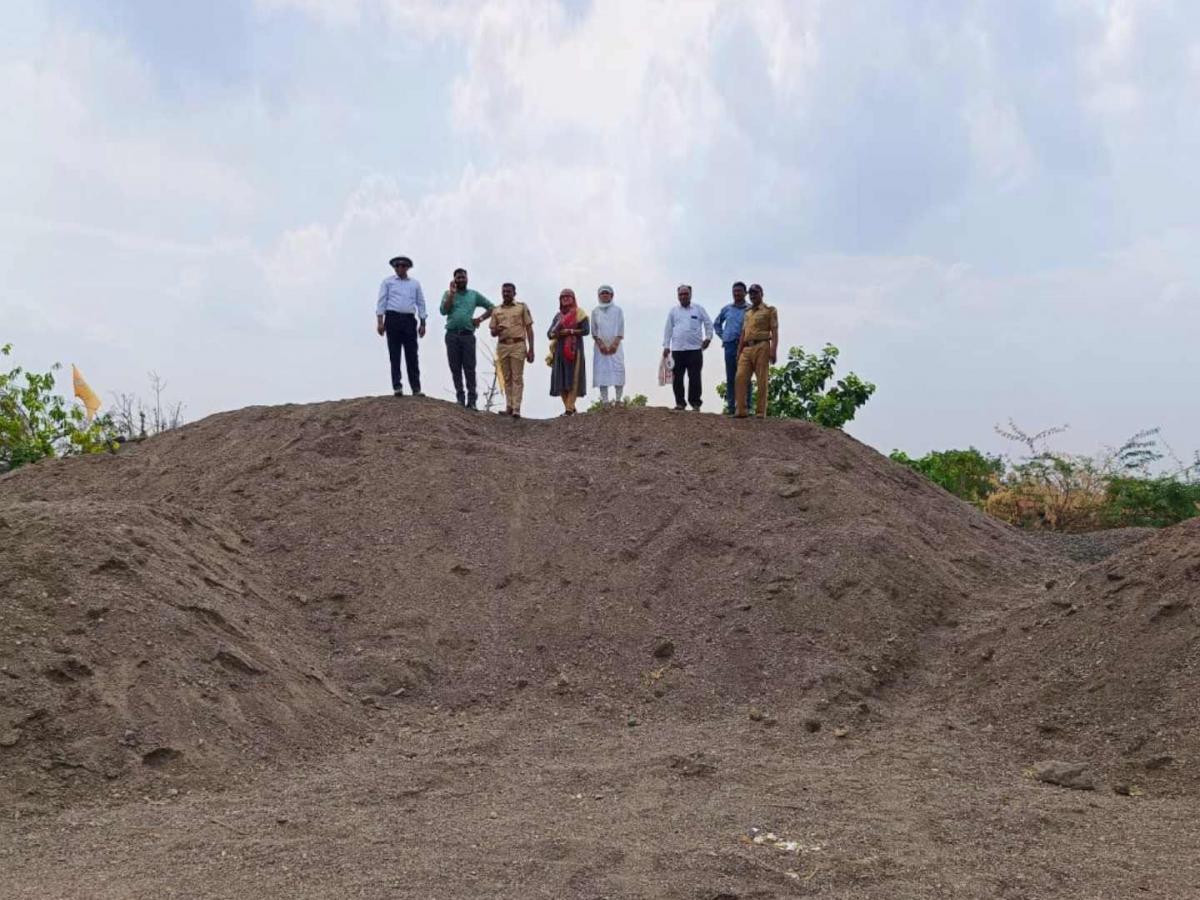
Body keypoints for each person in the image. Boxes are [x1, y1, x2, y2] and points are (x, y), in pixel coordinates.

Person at [439, 268, 494, 409]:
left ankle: (472, 400)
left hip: (467, 335)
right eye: (458, 277)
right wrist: (451, 294)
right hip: (451, 335)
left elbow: (492, 307)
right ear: (454, 279)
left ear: (467, 278)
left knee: (469, 368)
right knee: (455, 367)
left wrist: (480, 319)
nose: (461, 279)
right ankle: (460, 397)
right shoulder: (448, 293)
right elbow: (443, 311)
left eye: (463, 277)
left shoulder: (473, 295)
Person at [375, 255, 427, 396]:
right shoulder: (388, 282)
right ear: (394, 267)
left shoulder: (414, 284)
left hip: (409, 320)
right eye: (397, 266)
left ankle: (416, 388)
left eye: (403, 266)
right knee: (395, 354)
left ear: (408, 268)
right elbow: (381, 302)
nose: (400, 268)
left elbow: (421, 303)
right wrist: (380, 321)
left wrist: (423, 323)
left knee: (412, 355)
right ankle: (397, 386)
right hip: (392, 319)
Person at [662, 284, 713, 411]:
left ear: (690, 294)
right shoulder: (673, 311)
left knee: (695, 377)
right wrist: (666, 346)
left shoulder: (698, 309)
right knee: (677, 377)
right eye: (681, 294)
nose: (683, 296)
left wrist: (708, 338)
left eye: (686, 294)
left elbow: (708, 323)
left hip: (695, 349)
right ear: (678, 296)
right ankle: (680, 403)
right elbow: (668, 329)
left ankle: (695, 403)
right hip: (677, 349)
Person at [489, 282, 535, 419]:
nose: (506, 294)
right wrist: (497, 329)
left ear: (514, 293)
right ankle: (508, 406)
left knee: (517, 377)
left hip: (518, 345)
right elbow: (492, 332)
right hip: (502, 345)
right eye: (504, 291)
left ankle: (516, 408)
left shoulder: (521, 307)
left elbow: (529, 329)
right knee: (506, 377)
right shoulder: (496, 310)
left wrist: (531, 349)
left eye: (509, 291)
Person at [735, 283, 778, 418]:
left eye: (756, 293)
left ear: (761, 294)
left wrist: (773, 350)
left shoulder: (770, 310)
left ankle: (760, 412)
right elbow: (743, 332)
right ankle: (741, 410)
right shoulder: (747, 313)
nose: (753, 296)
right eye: (751, 294)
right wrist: (739, 351)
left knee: (762, 379)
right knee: (740, 377)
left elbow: (775, 331)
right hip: (747, 347)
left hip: (762, 346)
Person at [547, 288, 589, 415]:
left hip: (575, 349)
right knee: (560, 379)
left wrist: (570, 331)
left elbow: (586, 331)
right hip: (559, 350)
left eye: (568, 296)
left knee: (573, 378)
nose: (565, 298)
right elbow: (549, 334)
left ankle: (569, 409)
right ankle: (570, 407)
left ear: (573, 298)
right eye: (562, 297)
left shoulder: (579, 313)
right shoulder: (558, 316)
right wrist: (558, 332)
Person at [713, 281, 751, 415]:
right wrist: (724, 336)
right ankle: (731, 407)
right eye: (734, 291)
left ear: (745, 293)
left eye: (739, 291)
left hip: (746, 346)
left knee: (745, 376)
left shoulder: (750, 309)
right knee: (731, 377)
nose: (737, 294)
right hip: (729, 345)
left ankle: (746, 407)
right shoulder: (727, 309)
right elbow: (716, 324)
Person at [591, 285, 626, 406]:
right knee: (602, 372)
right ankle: (605, 401)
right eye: (602, 293)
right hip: (600, 348)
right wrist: (601, 345)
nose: (605, 295)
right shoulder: (595, 312)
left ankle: (618, 400)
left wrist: (615, 344)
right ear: (599, 296)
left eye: (607, 293)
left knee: (618, 369)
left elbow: (621, 328)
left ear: (612, 295)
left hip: (615, 346)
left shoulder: (618, 310)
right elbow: (594, 331)